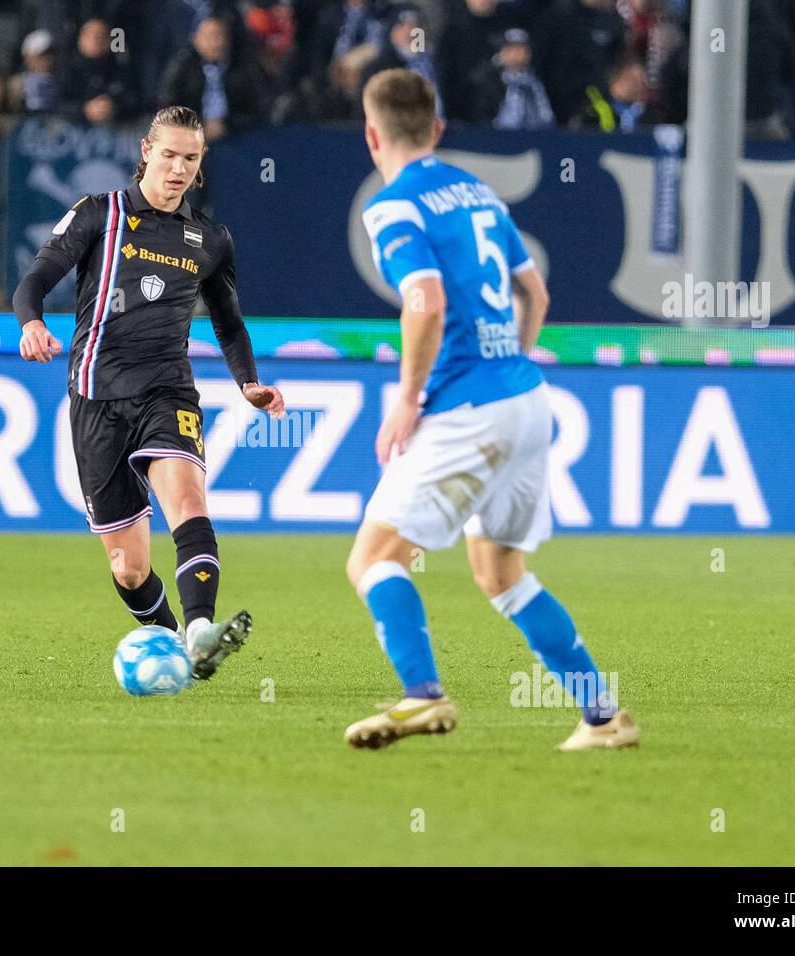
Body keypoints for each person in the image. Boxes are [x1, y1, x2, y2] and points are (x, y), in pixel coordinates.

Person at [343, 68, 639, 751]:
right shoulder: (476, 192)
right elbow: (535, 293)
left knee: (374, 558)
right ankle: (604, 717)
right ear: (438, 130)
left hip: (468, 407)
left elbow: (425, 300)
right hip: (527, 398)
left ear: (370, 134)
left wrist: (408, 400)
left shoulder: (393, 207)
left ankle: (423, 698)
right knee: (500, 571)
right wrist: (511, 362)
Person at [12, 106, 286, 679]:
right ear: (146, 151)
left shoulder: (209, 238)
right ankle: (174, 646)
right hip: (96, 397)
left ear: (201, 163)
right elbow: (35, 278)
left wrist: (249, 383)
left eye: (191, 158)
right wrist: (31, 321)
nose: (179, 168)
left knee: (187, 499)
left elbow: (229, 323)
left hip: (167, 391)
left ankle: (201, 628)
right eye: (169, 155)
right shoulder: (98, 214)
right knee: (129, 568)